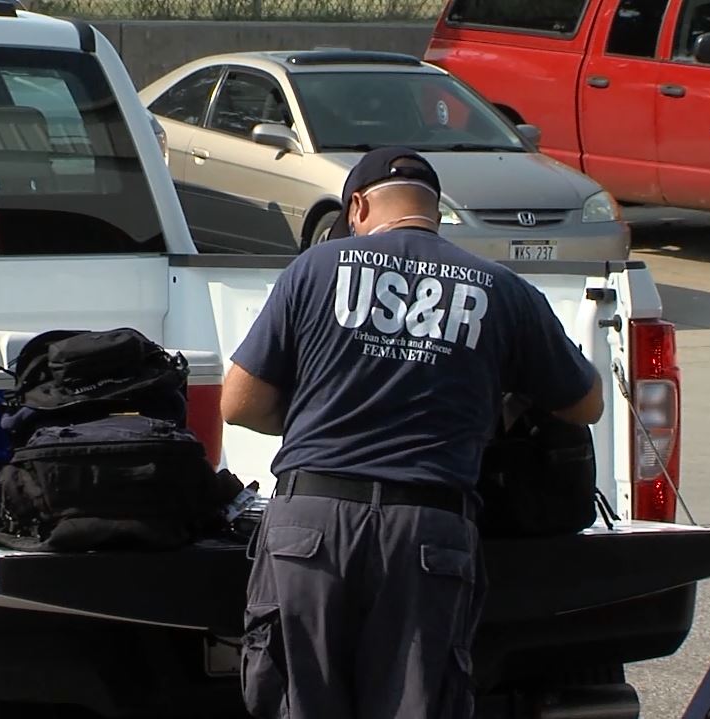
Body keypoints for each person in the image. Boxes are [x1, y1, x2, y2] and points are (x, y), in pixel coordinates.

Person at [220, 146, 604, 719]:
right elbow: (587, 403)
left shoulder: (315, 268)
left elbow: (240, 403)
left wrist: (315, 417)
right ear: (436, 214)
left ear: (357, 208)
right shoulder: (500, 288)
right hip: (428, 532)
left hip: (312, 527)